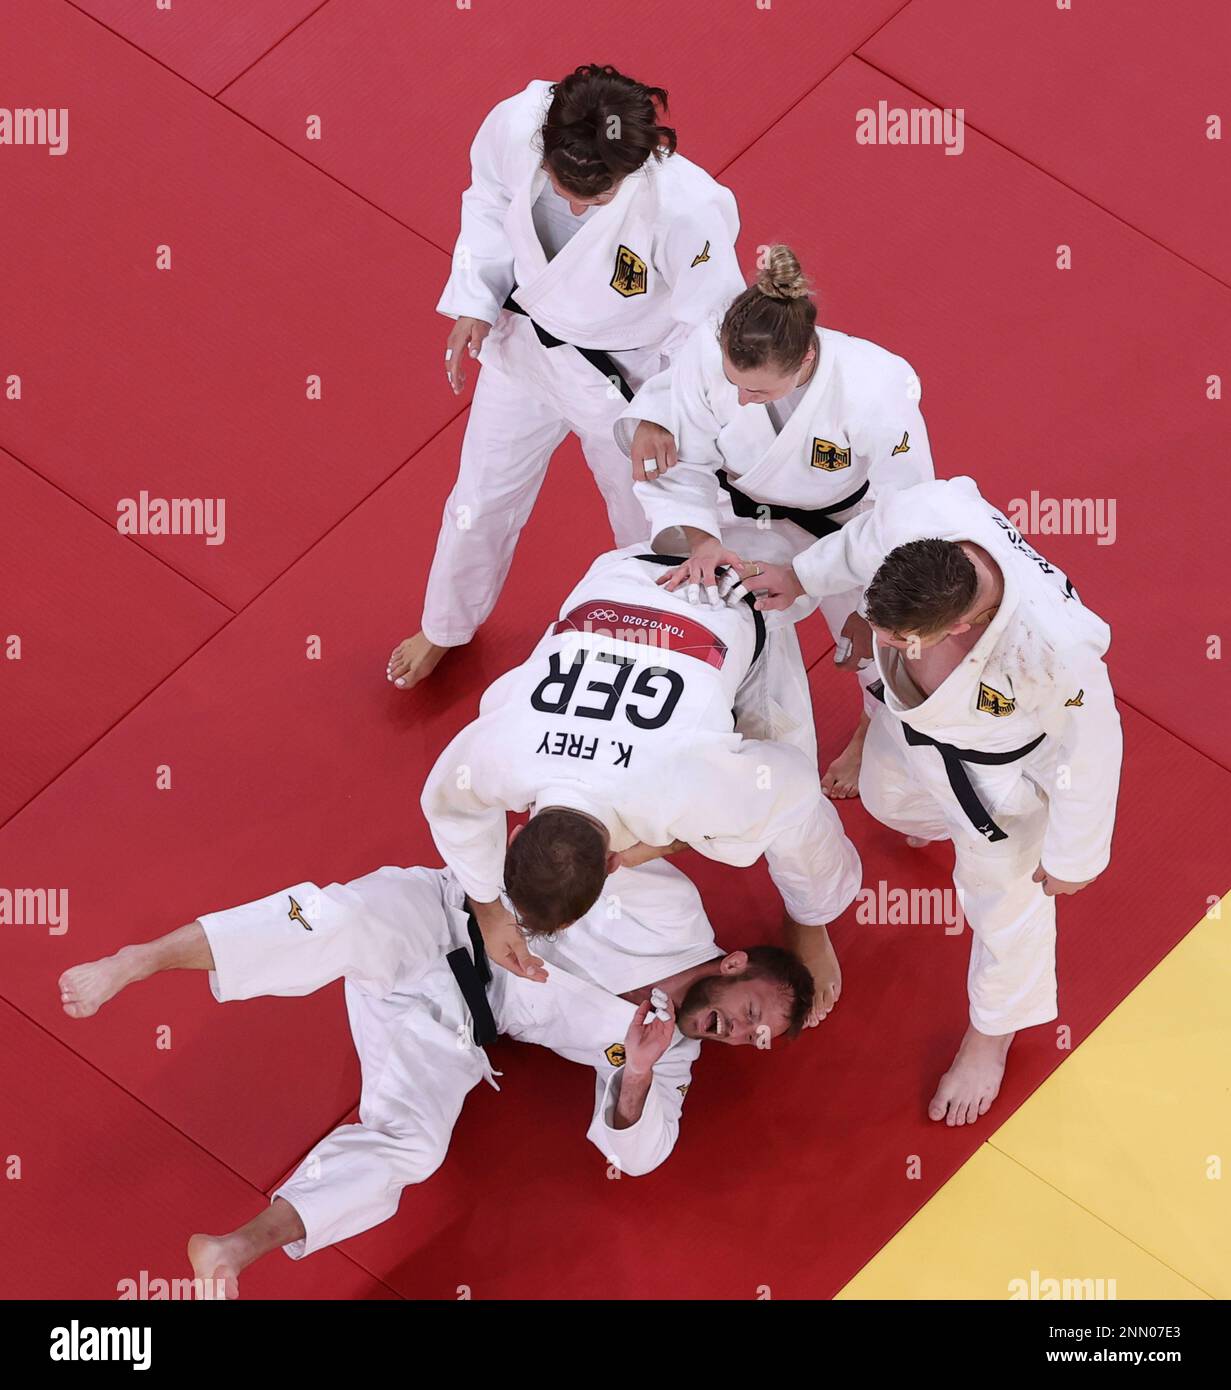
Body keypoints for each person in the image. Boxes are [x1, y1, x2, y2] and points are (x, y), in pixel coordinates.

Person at [57, 859, 812, 1298]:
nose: (742, 1034)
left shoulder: (668, 1057)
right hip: (442, 916)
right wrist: (504, 912)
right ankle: (142, 958)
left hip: (449, 1021)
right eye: (750, 1013)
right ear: (733, 963)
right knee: (335, 921)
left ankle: (231, 1249)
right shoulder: (670, 907)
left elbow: (638, 1152)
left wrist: (636, 1073)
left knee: (412, 1146)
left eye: (757, 1039)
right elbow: (565, 848)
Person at [748, 475, 1123, 1125]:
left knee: (1005, 902)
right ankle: (930, 809)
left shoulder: (1054, 646)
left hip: (1001, 778)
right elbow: (864, 538)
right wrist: (805, 576)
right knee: (885, 800)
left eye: (899, 637)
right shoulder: (927, 515)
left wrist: (1073, 856)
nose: (878, 640)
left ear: (960, 623)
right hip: (913, 724)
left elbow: (1093, 749)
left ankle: (992, 1035)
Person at [388, 64, 744, 690]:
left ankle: (665, 652)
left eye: (597, 195)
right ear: (545, 144)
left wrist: (661, 413)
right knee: (480, 497)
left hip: (625, 383)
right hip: (525, 347)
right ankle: (444, 625)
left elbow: (709, 328)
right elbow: (488, 196)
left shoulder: (688, 206)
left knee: (652, 527)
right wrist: (477, 295)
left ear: (640, 161)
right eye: (563, 185)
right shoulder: (517, 122)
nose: (576, 204)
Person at [420, 538, 862, 1021]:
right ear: (518, 831)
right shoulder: (502, 751)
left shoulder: (682, 790)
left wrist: (681, 839)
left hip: (732, 598)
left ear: (614, 865)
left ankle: (810, 919)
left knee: (794, 816)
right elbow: (445, 800)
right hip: (620, 572)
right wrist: (488, 909)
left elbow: (794, 783)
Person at [618, 245, 934, 797]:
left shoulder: (876, 386)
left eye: (758, 391)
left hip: (849, 524)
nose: (739, 400)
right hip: (739, 509)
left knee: (882, 657)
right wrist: (701, 541)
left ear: (806, 360)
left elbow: (904, 511)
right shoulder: (708, 351)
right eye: (733, 382)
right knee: (717, 606)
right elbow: (689, 460)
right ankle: (737, 746)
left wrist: (868, 608)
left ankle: (868, 729)